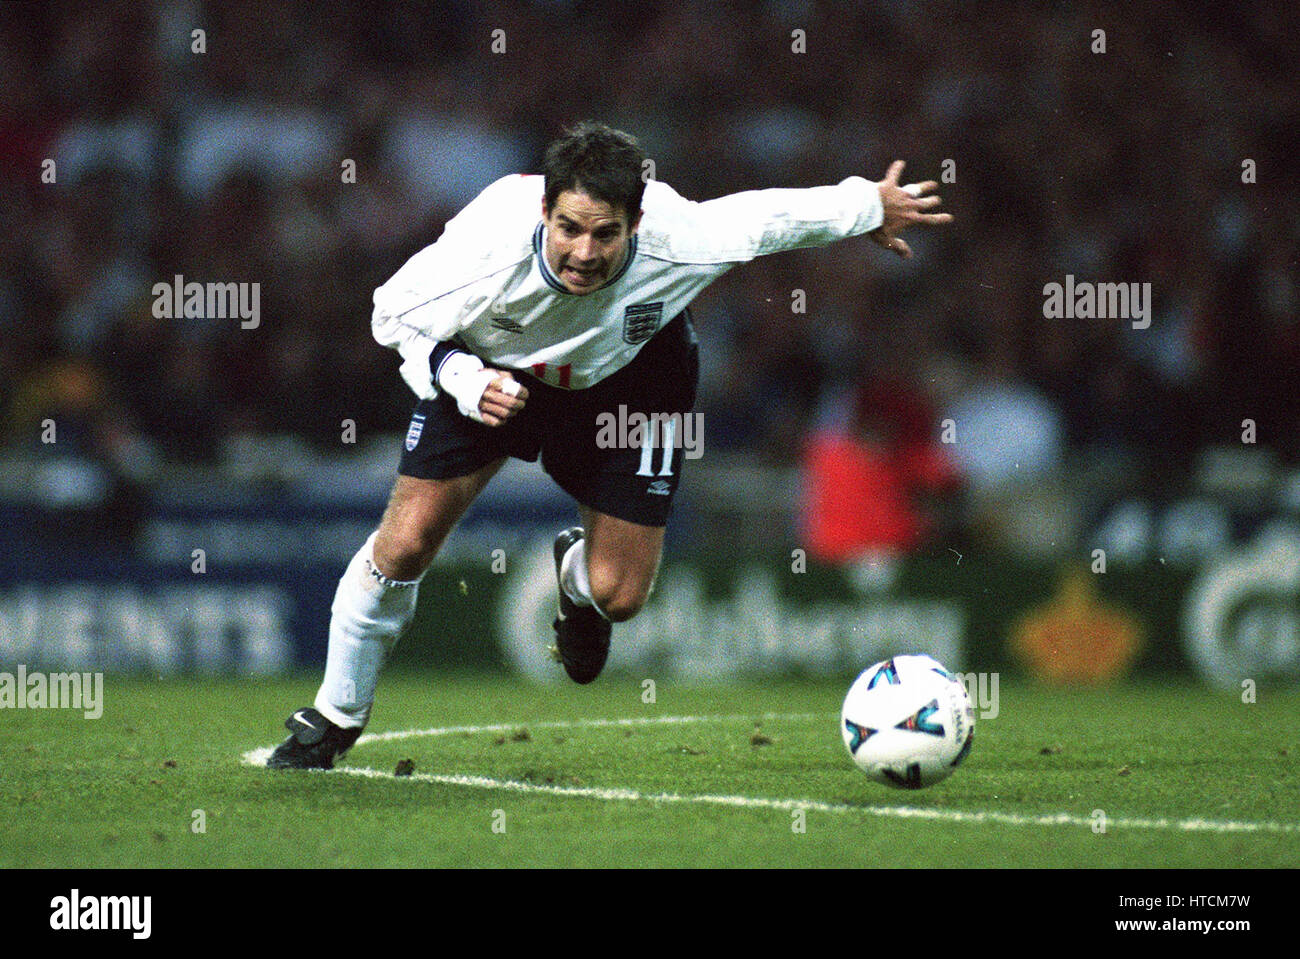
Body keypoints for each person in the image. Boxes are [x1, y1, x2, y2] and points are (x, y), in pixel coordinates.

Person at [268, 121, 952, 769]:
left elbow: (765, 220)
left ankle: (575, 577)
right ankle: (335, 715)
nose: (584, 253)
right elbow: (392, 312)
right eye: (568, 228)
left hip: (633, 380)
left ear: (638, 223)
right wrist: (462, 378)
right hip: (493, 372)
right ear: (544, 208)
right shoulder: (487, 245)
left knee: (619, 595)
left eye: (605, 234)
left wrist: (869, 205)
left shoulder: (679, 237)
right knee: (408, 540)